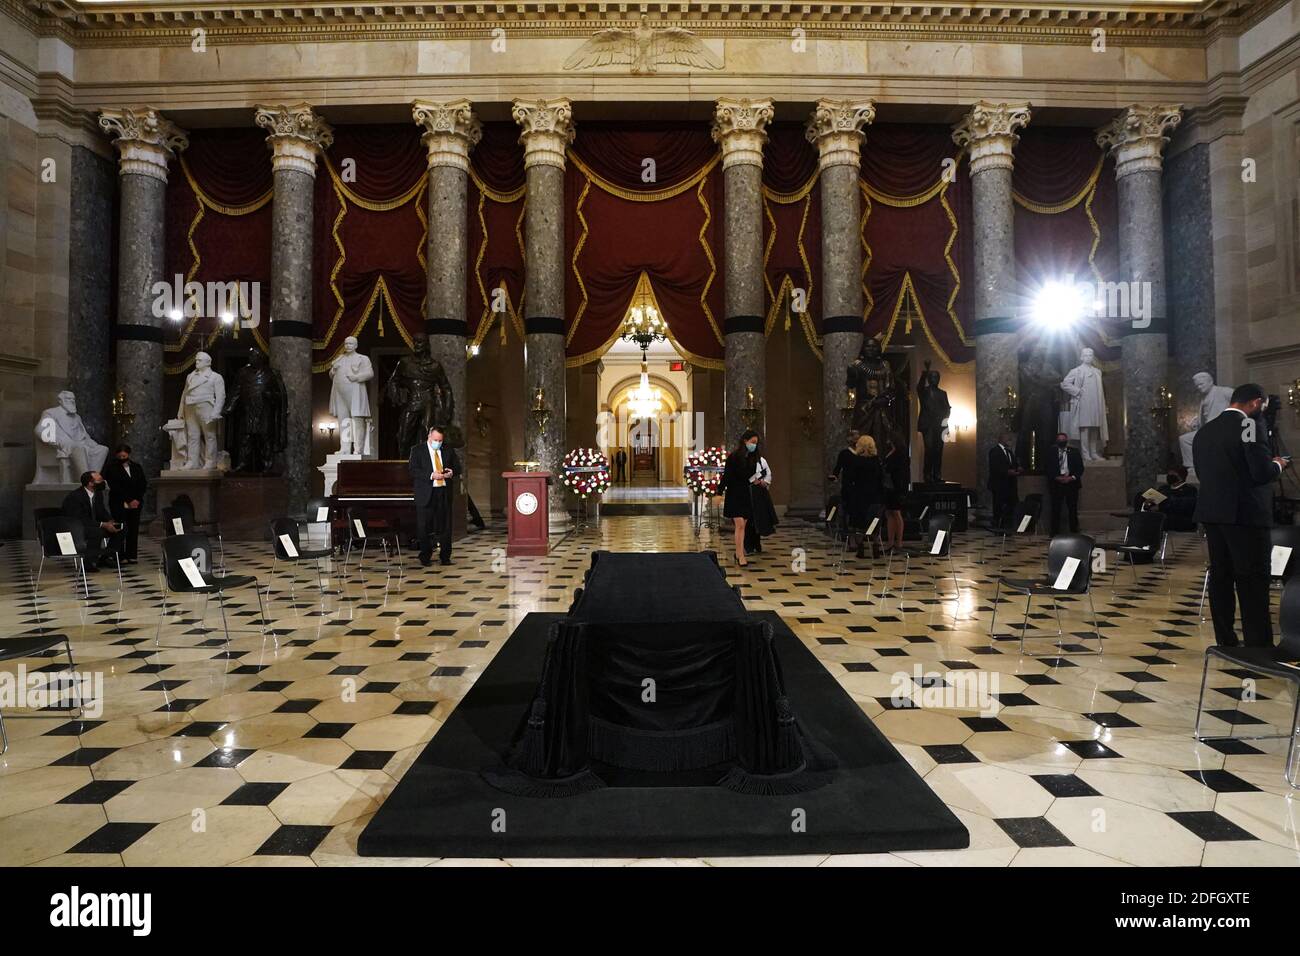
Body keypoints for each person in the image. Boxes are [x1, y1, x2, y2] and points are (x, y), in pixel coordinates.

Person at [1193, 384, 1291, 647]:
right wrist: (1278, 465)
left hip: (1213, 512)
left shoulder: (1205, 431)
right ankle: (1258, 644)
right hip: (1244, 515)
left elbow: (1203, 473)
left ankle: (1226, 640)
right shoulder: (1249, 427)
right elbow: (1260, 473)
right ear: (1256, 403)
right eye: (1264, 407)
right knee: (1252, 580)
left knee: (1221, 577)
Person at [408, 425, 461, 567]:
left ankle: (445, 557)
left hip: (443, 492)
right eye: (435, 439)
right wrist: (431, 475)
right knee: (424, 526)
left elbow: (457, 467)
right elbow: (413, 470)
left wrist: (451, 472)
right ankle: (425, 556)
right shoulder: (417, 450)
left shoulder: (448, 450)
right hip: (426, 493)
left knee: (445, 526)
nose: (438, 442)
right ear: (429, 437)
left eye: (440, 440)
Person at [61, 470, 122, 571]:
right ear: (90, 483)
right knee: (97, 532)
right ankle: (88, 563)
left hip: (94, 524)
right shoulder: (75, 497)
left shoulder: (98, 494)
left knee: (122, 528)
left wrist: (110, 520)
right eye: (100, 480)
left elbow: (101, 511)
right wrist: (102, 524)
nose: (103, 482)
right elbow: (80, 519)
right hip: (78, 527)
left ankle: (105, 558)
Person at [722, 430, 763, 566]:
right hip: (734, 494)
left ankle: (738, 552)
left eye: (756, 443)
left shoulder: (753, 458)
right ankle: (740, 556)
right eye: (752, 442)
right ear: (745, 441)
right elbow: (727, 476)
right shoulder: (733, 457)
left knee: (742, 526)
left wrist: (756, 480)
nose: (754, 445)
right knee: (739, 524)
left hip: (746, 494)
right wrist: (718, 491)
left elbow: (749, 476)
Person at [102, 443, 147, 563]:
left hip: (136, 503)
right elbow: (115, 487)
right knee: (121, 527)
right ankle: (120, 555)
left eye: (124, 456)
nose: (123, 458)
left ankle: (132, 555)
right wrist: (128, 500)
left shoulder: (136, 467)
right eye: (120, 456)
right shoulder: (111, 468)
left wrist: (136, 499)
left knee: (133, 528)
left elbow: (142, 484)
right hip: (119, 502)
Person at [844, 435, 885, 558]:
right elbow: (881, 479)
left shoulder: (856, 461)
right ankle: (876, 547)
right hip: (875, 496)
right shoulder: (877, 461)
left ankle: (860, 548)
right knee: (874, 523)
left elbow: (850, 479)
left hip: (859, 496)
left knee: (859, 524)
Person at [1133, 465, 1198, 533]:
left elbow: (1184, 505)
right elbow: (1155, 500)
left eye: (1172, 474)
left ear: (1180, 477)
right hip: (1161, 515)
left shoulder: (1190, 490)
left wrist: (1161, 506)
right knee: (1140, 497)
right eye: (1168, 473)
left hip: (1178, 518)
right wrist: (1147, 504)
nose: (1169, 475)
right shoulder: (1164, 488)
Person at [1047, 431, 1084, 534]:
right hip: (1057, 485)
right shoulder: (1051, 452)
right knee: (1055, 508)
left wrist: (1071, 477)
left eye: (1063, 440)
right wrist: (1056, 477)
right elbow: (1048, 467)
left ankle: (1074, 530)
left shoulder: (1074, 452)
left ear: (1066, 441)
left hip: (1071, 484)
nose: (1062, 442)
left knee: (1072, 508)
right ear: (1056, 441)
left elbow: (1080, 468)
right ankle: (1054, 532)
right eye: (1060, 440)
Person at [987, 431, 1022, 529]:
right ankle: (997, 526)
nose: (1009, 441)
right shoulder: (995, 451)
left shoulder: (1009, 452)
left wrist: (1018, 468)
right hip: (999, 485)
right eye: (1008, 439)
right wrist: (1007, 472)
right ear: (1001, 439)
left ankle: (1007, 526)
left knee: (1011, 506)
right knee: (998, 506)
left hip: (1010, 485)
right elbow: (995, 467)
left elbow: (1013, 464)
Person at [881, 434, 909, 552]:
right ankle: (890, 541)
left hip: (897, 488)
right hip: (888, 487)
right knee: (889, 513)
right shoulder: (891, 452)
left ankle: (899, 542)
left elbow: (902, 474)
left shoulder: (901, 455)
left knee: (896, 513)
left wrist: (902, 490)